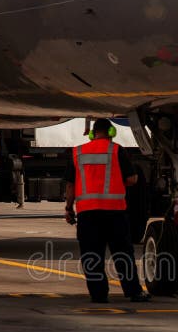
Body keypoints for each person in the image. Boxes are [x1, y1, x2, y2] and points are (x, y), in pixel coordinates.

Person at [64, 119, 151, 303]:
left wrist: (68, 208)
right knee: (122, 255)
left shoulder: (77, 152)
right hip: (114, 213)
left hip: (87, 214)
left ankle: (98, 295)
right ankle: (134, 292)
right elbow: (133, 179)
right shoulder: (116, 150)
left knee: (91, 256)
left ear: (92, 133)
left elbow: (71, 185)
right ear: (111, 131)